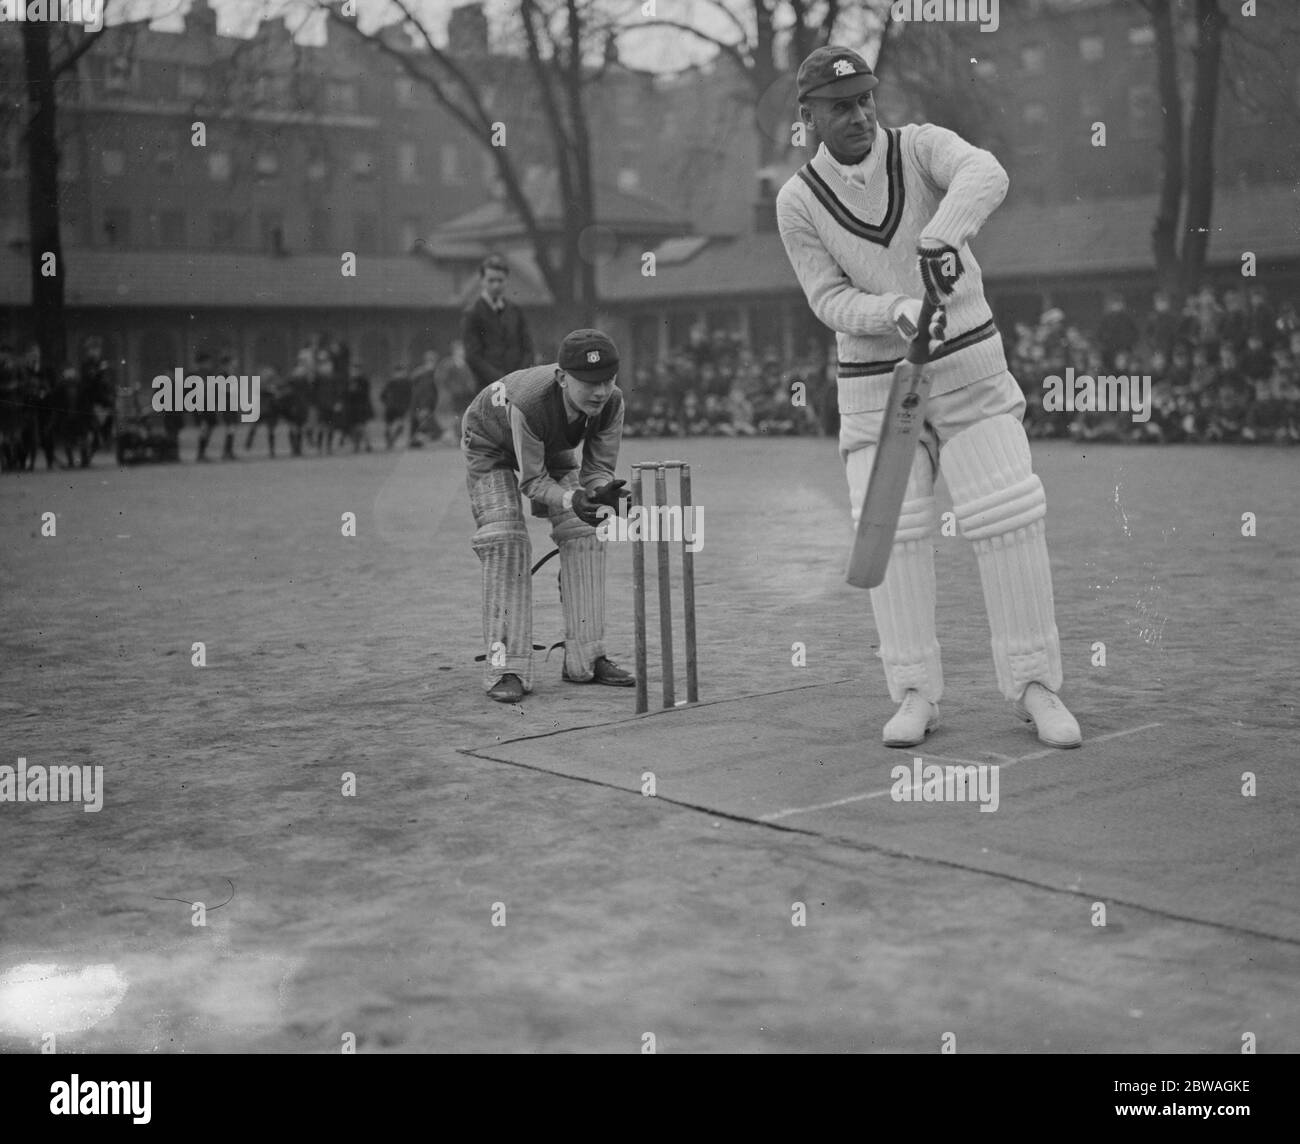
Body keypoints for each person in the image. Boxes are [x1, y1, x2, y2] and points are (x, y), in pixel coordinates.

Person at [776, 45, 1081, 749]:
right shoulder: (798, 201)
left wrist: (944, 231)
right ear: (809, 116)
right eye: (840, 106)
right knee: (900, 534)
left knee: (1007, 515)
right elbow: (827, 298)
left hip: (968, 361)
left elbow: (987, 170)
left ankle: (1036, 687)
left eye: (864, 100)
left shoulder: (918, 149)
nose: (857, 115)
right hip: (877, 388)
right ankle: (914, 693)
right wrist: (894, 312)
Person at [461, 329, 634, 704]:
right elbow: (534, 482)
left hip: (548, 444)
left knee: (585, 531)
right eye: (588, 382)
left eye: (607, 380)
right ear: (561, 378)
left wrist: (602, 493)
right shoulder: (532, 401)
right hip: (490, 440)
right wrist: (573, 497)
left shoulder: (612, 402)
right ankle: (506, 667)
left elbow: (598, 469)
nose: (600, 392)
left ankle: (586, 657)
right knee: (505, 538)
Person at [460, 254, 534, 392]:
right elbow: (472, 356)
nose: (496, 285)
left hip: (517, 386)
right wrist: (500, 380)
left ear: (506, 281)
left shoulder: (515, 311)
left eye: (500, 280)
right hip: (487, 387)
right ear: (482, 281)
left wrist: (518, 377)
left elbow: (528, 348)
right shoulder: (472, 313)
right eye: (491, 280)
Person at [433, 339, 476, 445]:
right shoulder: (448, 363)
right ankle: (454, 437)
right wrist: (448, 390)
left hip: (464, 395)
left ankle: (458, 437)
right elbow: (441, 378)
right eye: (460, 349)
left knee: (463, 416)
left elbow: (470, 380)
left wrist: (470, 387)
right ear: (455, 350)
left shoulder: (464, 365)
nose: (462, 351)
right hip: (453, 396)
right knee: (454, 417)